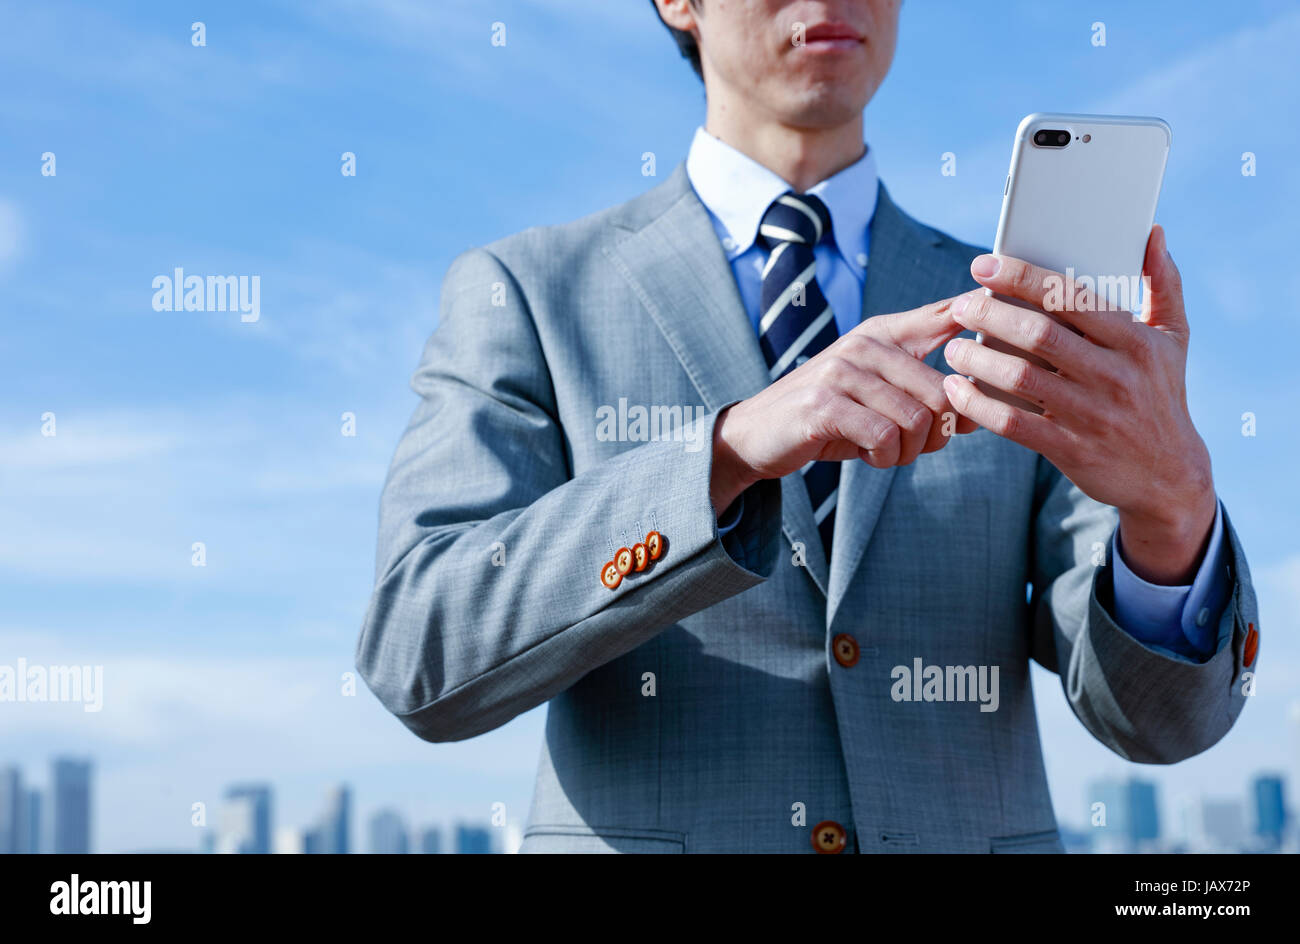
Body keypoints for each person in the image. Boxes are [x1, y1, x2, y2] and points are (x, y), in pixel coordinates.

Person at [355, 0, 1258, 853]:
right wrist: (725, 454)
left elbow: (1162, 719)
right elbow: (419, 655)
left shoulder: (1013, 314)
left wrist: (1173, 517)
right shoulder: (530, 293)